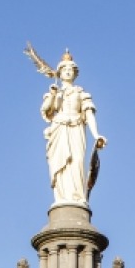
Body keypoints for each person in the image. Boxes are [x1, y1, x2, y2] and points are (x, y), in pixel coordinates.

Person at [39, 50, 106, 205]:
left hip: (76, 129)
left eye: (71, 70)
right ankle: (61, 198)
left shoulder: (81, 93)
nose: (68, 72)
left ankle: (77, 197)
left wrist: (96, 135)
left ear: (75, 74)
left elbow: (89, 114)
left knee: (76, 163)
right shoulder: (54, 92)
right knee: (60, 166)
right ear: (60, 73)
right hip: (59, 129)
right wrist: (54, 95)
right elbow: (46, 111)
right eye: (65, 70)